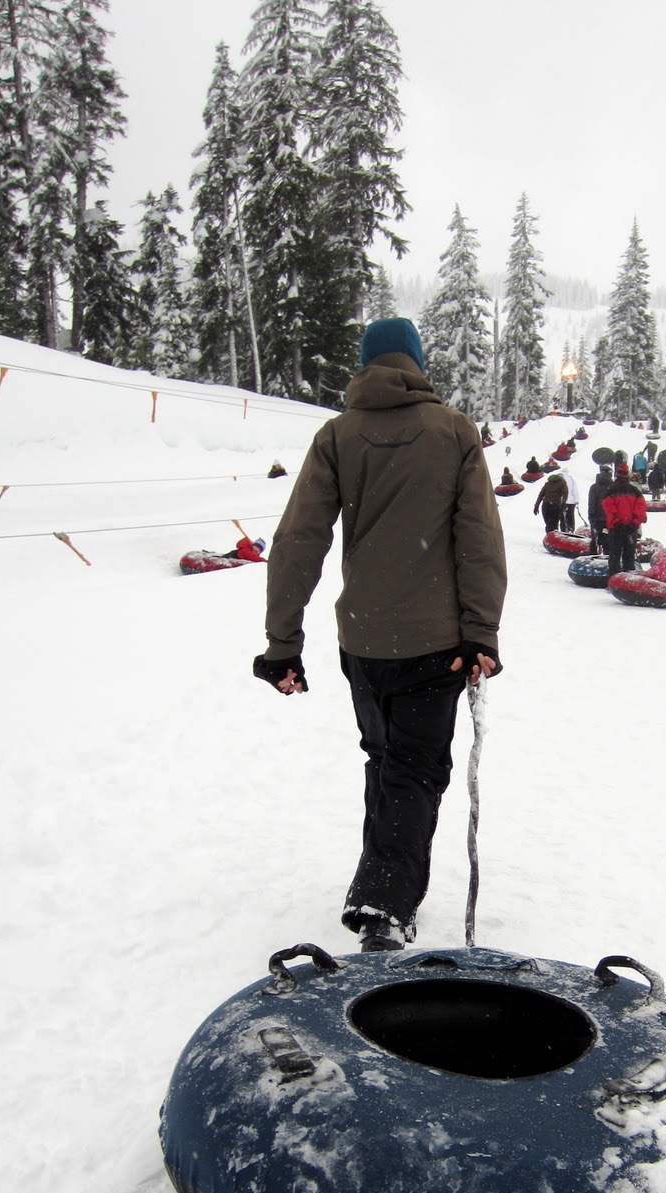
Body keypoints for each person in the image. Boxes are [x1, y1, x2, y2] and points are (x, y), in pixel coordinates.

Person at [253, 316, 506, 954]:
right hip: (434, 642)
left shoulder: (337, 437)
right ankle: (383, 907)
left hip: (362, 641)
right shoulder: (453, 433)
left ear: (365, 367)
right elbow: (478, 540)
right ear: (417, 364)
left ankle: (382, 880)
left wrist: (282, 642)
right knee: (415, 770)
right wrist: (481, 632)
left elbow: (297, 541)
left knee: (386, 759)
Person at [599, 461, 647, 576]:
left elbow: (608, 508)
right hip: (631, 528)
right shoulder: (635, 491)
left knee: (614, 555)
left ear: (617, 474)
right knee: (629, 555)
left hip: (615, 528)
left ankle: (613, 580)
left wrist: (616, 522)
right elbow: (640, 508)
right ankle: (628, 581)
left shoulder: (610, 490)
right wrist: (634, 523)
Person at [586, 463, 613, 554]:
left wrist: (591, 516)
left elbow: (591, 503)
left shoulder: (594, 487)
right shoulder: (613, 487)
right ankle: (607, 561)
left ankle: (592, 559)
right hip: (609, 518)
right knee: (608, 540)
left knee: (595, 539)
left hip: (596, 517)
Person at [560, 468, 582, 532]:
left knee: (562, 517)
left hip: (562, 500)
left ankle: (563, 530)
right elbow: (575, 490)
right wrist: (577, 500)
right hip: (571, 501)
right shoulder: (571, 479)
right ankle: (571, 528)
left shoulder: (560, 477)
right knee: (571, 516)